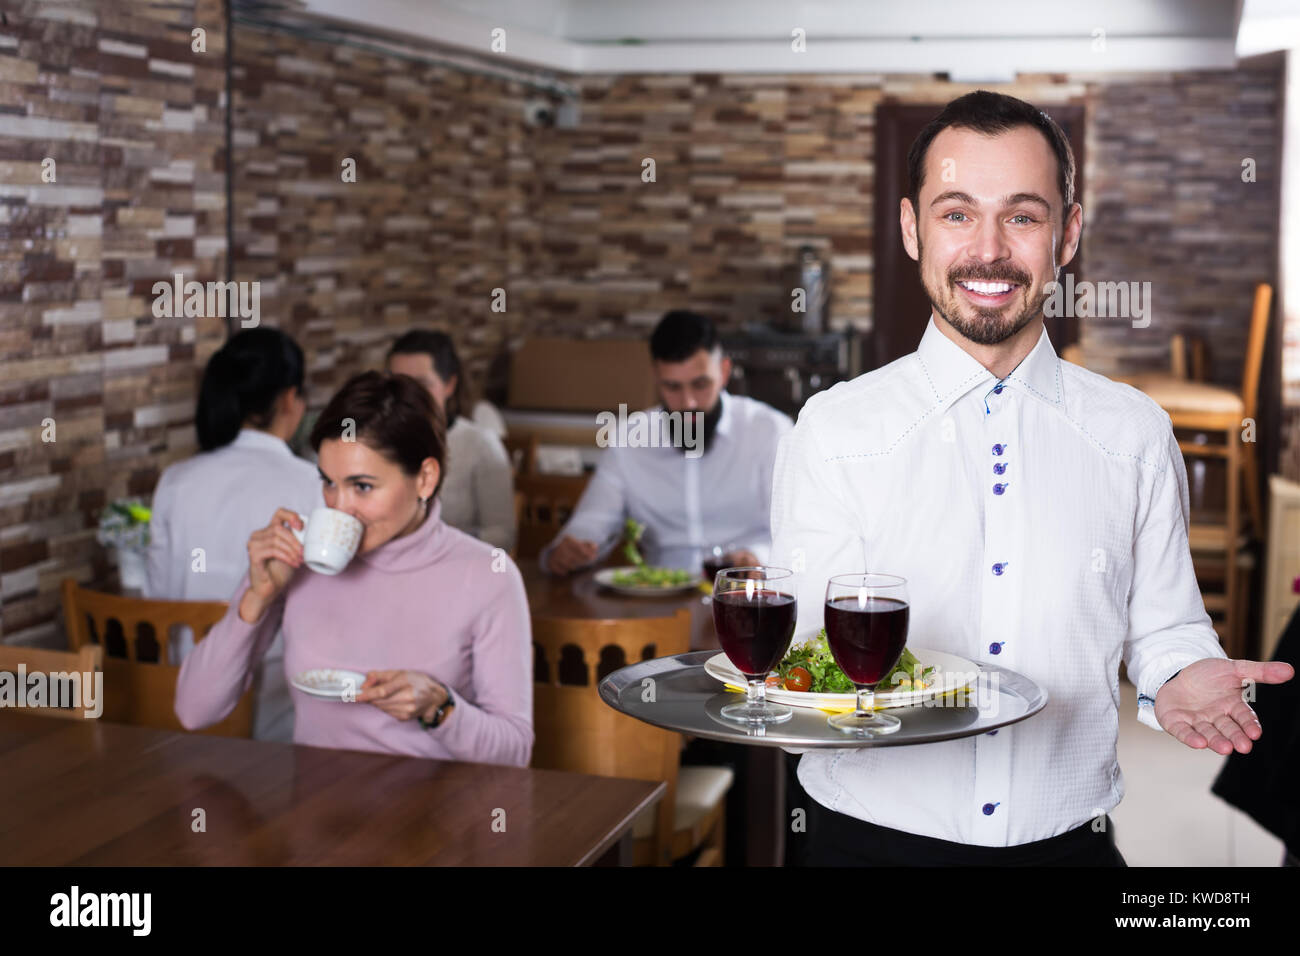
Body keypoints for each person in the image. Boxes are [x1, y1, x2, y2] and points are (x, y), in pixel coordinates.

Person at [772, 90, 1294, 866]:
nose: (989, 250)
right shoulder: (835, 429)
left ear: (1067, 233)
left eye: (1022, 216)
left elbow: (1167, 627)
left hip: (1069, 847)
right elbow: (810, 656)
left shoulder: (1133, 432)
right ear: (912, 229)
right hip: (867, 843)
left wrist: (1179, 673)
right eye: (956, 214)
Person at [174, 371, 534, 767]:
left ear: (425, 478)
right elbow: (194, 711)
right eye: (329, 482)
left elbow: (514, 752)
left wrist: (441, 708)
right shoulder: (299, 559)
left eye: (362, 486)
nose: (338, 507)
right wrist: (255, 600)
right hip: (316, 811)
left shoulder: (487, 575)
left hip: (436, 816)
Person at [146, 327, 321, 743]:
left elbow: (158, 598)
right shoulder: (316, 485)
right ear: (288, 400)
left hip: (179, 708)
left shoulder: (175, 481)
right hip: (278, 721)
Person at [541, 310, 793, 575]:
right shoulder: (630, 438)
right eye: (673, 387)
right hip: (657, 602)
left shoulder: (769, 432)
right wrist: (570, 550)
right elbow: (592, 524)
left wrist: (758, 557)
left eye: (700, 384)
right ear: (656, 379)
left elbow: (797, 530)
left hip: (747, 597)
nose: (688, 404)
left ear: (724, 372)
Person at [387, 331, 516, 554]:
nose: (408, 396)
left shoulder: (480, 445)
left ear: (449, 385)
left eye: (422, 384)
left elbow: (503, 535)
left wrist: (440, 540)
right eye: (398, 384)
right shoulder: (377, 441)